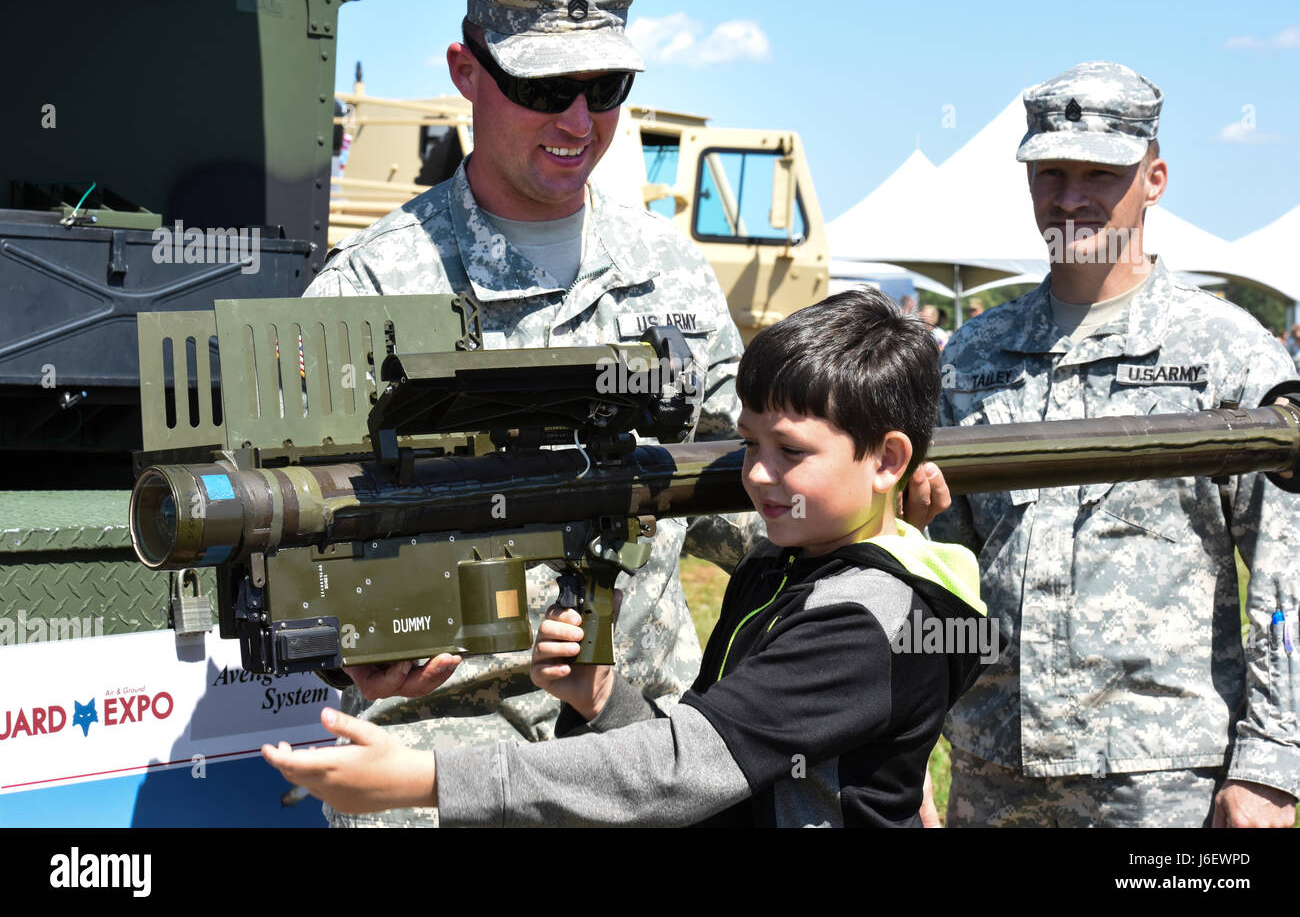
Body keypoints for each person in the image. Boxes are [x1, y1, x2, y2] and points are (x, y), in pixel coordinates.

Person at [299, 0, 754, 826]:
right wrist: (344, 649)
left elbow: (740, 503)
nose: (579, 122)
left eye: (606, 89)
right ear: (467, 72)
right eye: (544, 89)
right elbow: (294, 533)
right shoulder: (371, 288)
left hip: (638, 751)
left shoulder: (671, 276)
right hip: (435, 772)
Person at [263, 288, 993, 827]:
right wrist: (602, 702)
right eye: (749, 443)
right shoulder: (779, 568)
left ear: (889, 459)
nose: (758, 474)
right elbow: (721, 747)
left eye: (792, 452)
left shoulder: (871, 621)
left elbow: (680, 770)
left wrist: (425, 777)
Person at [927, 61, 1299, 827]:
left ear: (1154, 177)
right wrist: (904, 747)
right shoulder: (973, 356)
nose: (1070, 198)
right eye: (1051, 172)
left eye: (1101, 173)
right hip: (997, 770)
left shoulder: (1228, 353)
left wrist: (1269, 763)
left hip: (1163, 783)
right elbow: (935, 571)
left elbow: (1286, 573)